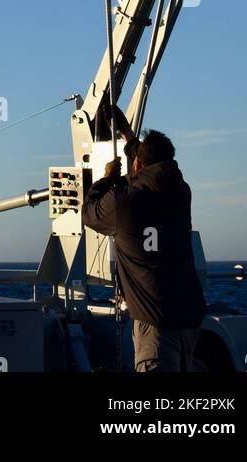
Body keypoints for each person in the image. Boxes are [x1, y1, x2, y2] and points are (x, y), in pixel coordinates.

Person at [82, 111, 206, 372]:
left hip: (156, 323)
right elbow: (152, 166)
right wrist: (127, 134)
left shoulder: (125, 201)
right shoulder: (181, 190)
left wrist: (106, 180)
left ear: (137, 165)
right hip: (189, 315)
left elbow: (90, 213)